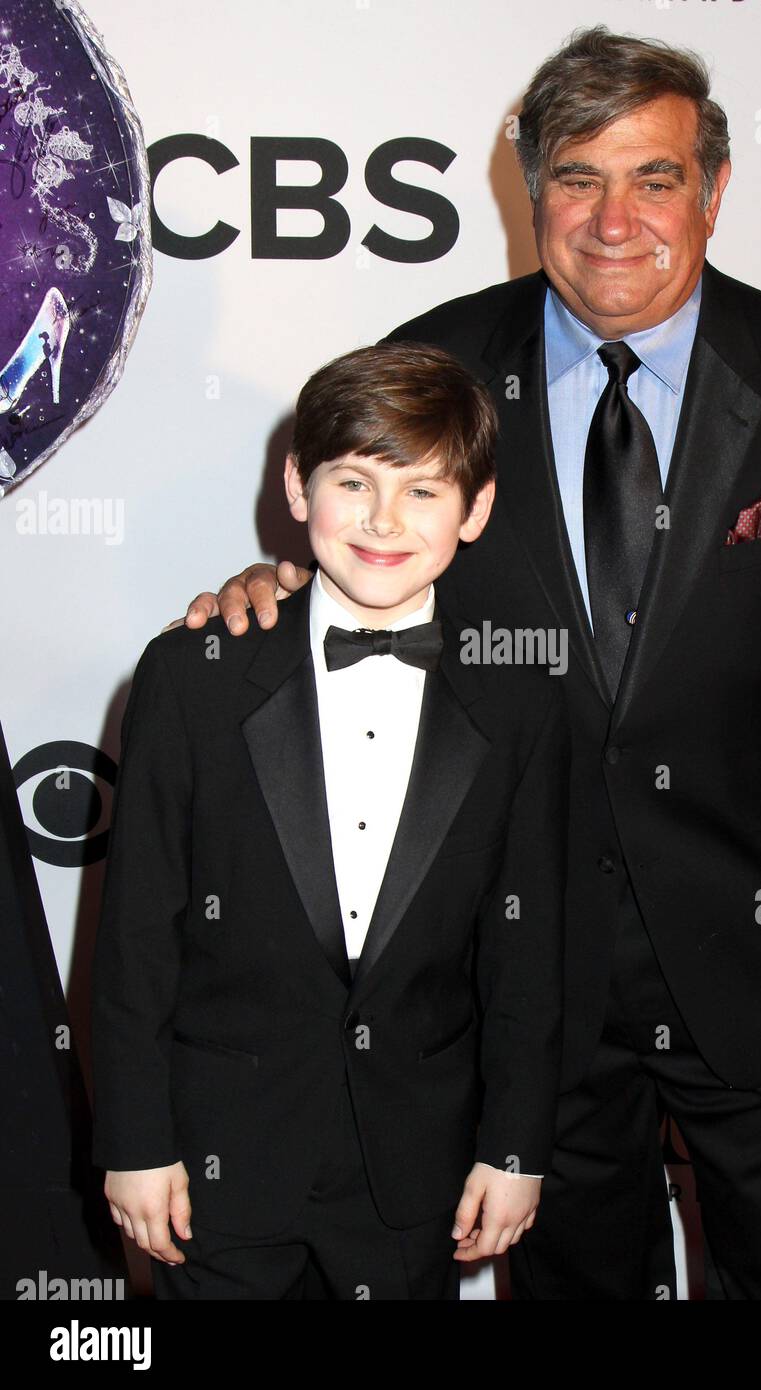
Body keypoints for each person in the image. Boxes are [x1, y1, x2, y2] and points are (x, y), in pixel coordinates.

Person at [178, 27, 761, 1299]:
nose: (613, 218)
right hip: (524, 958)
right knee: (577, 1280)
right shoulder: (440, 364)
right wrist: (278, 585)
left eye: (654, 177)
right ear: (531, 195)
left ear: (713, 188)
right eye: (577, 177)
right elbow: (377, 552)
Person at [90, 342, 570, 1299]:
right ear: (296, 488)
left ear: (475, 510)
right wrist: (134, 1141)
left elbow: (531, 949)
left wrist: (515, 1148)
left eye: (425, 492)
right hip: (215, 1165)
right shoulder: (194, 677)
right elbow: (137, 932)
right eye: (354, 482)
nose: (384, 521)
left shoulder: (520, 693)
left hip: (414, 1167)